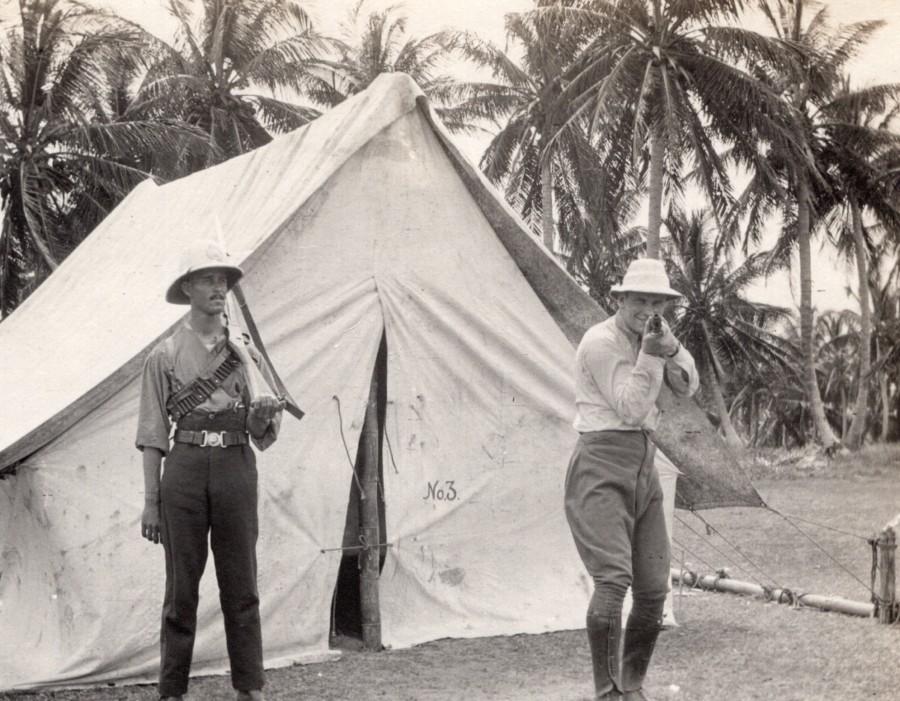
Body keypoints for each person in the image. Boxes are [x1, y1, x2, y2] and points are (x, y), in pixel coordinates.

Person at [136, 240, 283, 701]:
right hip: (184, 467)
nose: (219, 287)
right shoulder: (164, 355)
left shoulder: (245, 351)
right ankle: (172, 691)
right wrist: (150, 503)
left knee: (242, 583)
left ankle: (250, 687)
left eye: (223, 279)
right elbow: (153, 433)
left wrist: (260, 416)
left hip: (237, 464)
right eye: (208, 279)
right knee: (181, 588)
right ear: (187, 288)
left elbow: (266, 431)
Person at [565, 258, 699, 701]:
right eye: (639, 300)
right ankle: (608, 693)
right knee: (612, 582)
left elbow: (688, 386)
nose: (648, 308)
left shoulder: (655, 336)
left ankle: (633, 685)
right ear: (619, 299)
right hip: (601, 460)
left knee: (654, 587)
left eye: (657, 302)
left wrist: (672, 347)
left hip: (643, 461)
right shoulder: (599, 342)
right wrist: (651, 353)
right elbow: (630, 408)